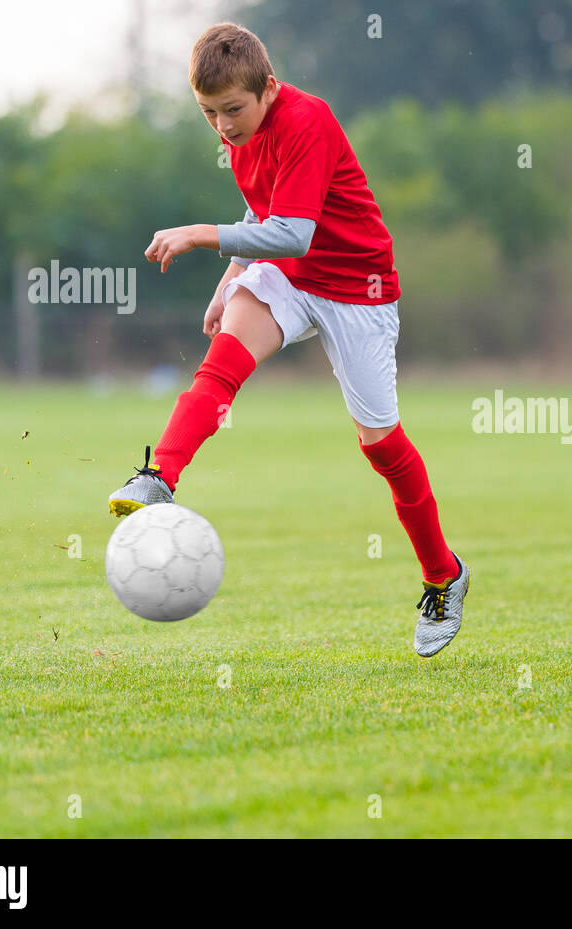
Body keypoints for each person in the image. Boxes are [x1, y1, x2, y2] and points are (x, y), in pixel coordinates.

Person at [106, 22, 469, 657]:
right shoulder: (240, 134)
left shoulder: (309, 120)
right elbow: (262, 211)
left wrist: (200, 234)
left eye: (233, 110)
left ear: (269, 88)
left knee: (379, 443)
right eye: (208, 113)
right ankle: (158, 476)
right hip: (290, 278)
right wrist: (231, 278)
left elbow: (295, 232)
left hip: (360, 289)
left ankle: (444, 574)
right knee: (221, 367)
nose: (222, 127)